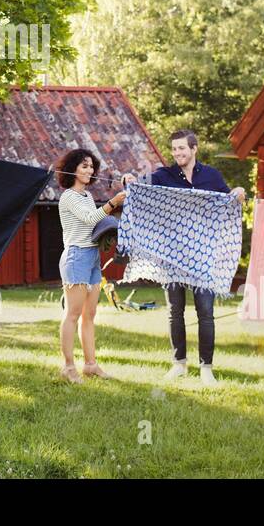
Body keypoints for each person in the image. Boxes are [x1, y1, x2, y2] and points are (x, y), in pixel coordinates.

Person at [127, 129, 244, 387]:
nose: (178, 153)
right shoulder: (164, 176)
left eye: (182, 148)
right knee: (175, 311)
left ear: (194, 149)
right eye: (175, 149)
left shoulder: (211, 176)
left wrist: (238, 190)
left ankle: (206, 368)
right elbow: (139, 184)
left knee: (206, 311)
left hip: (203, 255)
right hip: (172, 254)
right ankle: (179, 364)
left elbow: (227, 199)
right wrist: (129, 179)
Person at [55, 148, 127, 383]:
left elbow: (94, 220)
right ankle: (68, 367)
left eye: (91, 166)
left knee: (90, 314)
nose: (90, 170)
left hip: (93, 256)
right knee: (73, 314)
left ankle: (90, 365)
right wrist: (113, 203)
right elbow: (89, 218)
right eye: (84, 166)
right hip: (76, 257)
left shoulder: (86, 196)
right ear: (72, 169)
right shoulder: (69, 196)